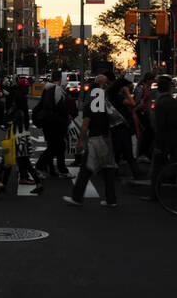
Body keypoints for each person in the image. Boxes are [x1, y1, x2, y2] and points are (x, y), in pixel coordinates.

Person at [63, 75, 118, 207]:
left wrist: (80, 141)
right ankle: (111, 199)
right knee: (108, 170)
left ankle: (77, 197)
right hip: (106, 139)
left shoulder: (91, 105)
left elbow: (85, 124)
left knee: (85, 169)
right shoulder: (107, 104)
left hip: (95, 139)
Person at [145, 76, 177, 201]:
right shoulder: (175, 102)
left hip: (164, 140)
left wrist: (158, 145)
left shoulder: (160, 103)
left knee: (156, 168)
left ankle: (154, 194)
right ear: (169, 88)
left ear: (158, 89)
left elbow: (159, 126)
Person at [34, 72, 72, 178]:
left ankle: (55, 169)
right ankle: (40, 166)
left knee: (55, 146)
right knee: (57, 146)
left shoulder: (48, 88)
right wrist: (66, 115)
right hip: (54, 123)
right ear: (60, 79)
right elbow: (59, 107)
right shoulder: (56, 89)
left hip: (49, 123)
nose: (67, 82)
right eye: (66, 79)